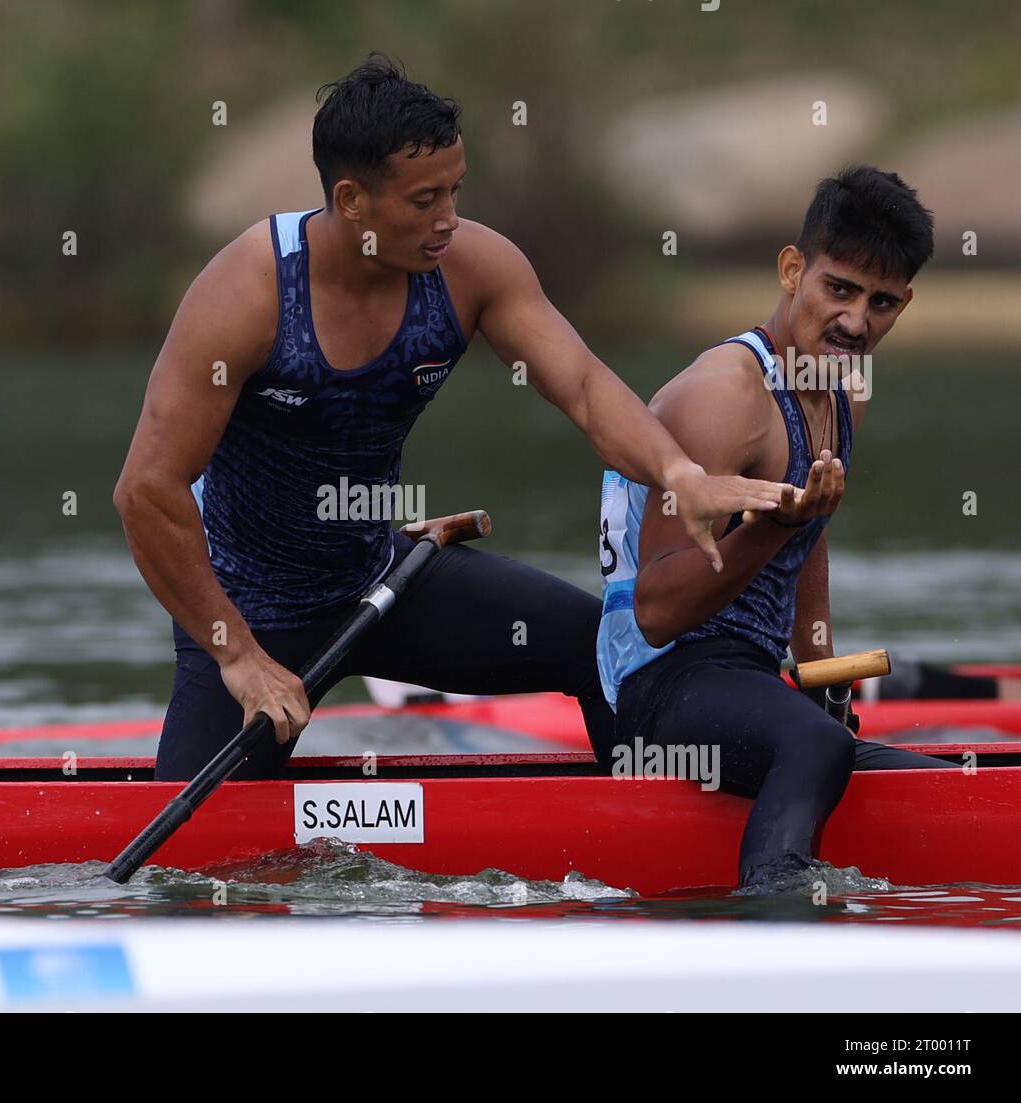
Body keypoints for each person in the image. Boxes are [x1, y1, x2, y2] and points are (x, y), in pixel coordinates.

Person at [113, 55, 786, 781]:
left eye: (456, 192)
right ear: (351, 200)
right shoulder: (248, 294)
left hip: (381, 582)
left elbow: (585, 388)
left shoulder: (474, 268)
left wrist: (678, 470)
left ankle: (646, 823)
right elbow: (147, 490)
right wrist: (238, 657)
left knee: (601, 650)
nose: (449, 222)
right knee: (194, 870)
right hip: (250, 614)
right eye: (425, 200)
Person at [595, 165, 952, 891]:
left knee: (938, 781)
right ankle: (776, 928)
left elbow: (808, 540)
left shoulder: (843, 389)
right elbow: (656, 612)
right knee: (816, 745)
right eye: (840, 289)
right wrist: (768, 526)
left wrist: (819, 676)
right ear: (793, 270)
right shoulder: (723, 396)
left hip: (745, 680)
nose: (856, 321)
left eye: (881, 302)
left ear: (905, 304)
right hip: (657, 690)